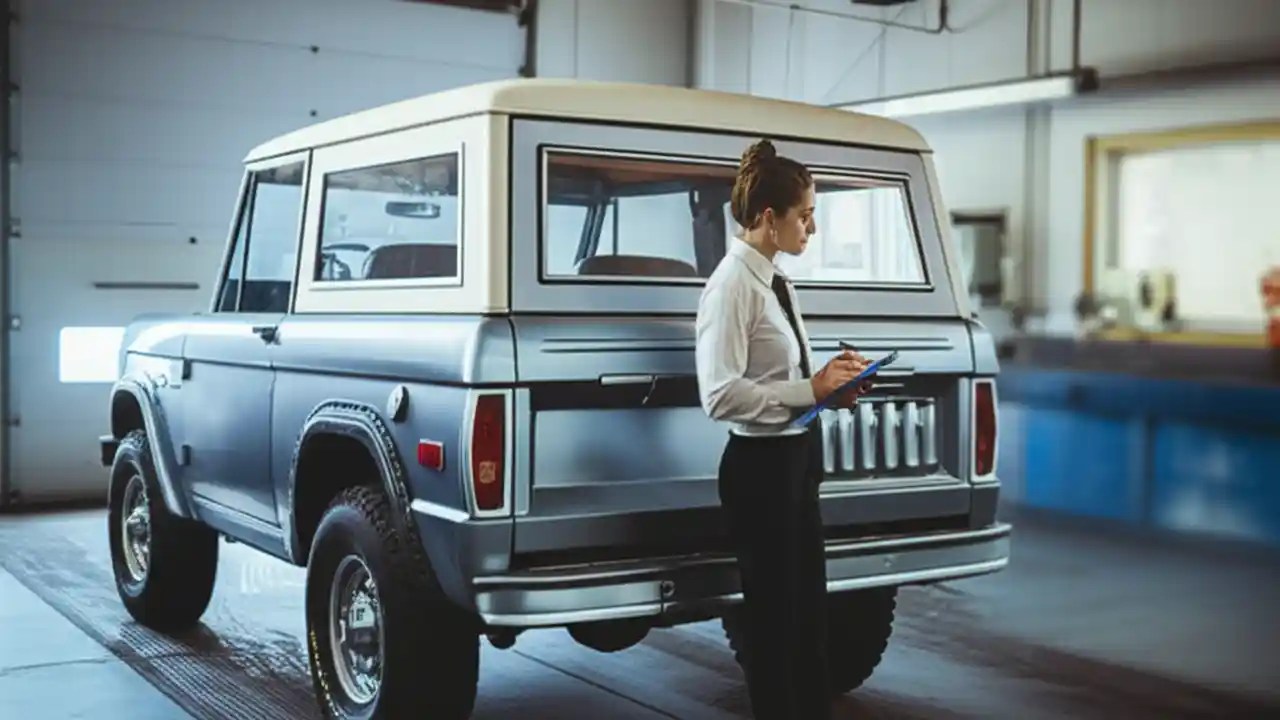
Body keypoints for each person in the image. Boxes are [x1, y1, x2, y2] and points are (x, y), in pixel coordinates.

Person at [695, 138, 870, 720]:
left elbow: (787, 378)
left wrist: (832, 391)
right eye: (806, 216)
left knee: (808, 620)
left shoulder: (777, 279)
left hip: (797, 459)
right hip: (760, 471)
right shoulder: (731, 285)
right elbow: (719, 395)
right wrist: (808, 389)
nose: (812, 229)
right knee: (773, 628)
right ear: (769, 219)